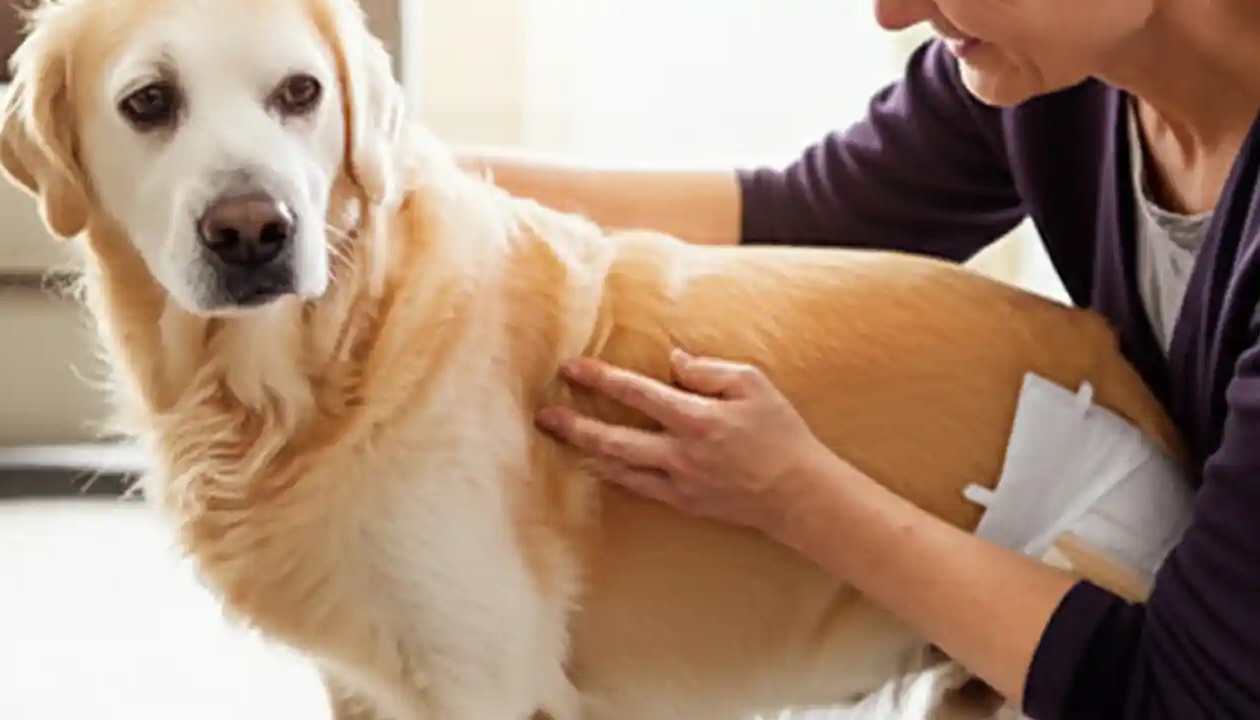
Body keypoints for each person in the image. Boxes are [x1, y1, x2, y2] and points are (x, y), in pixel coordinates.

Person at [460, 0, 1260, 717]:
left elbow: (1185, 695)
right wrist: (402, 181)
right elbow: (806, 215)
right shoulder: (1058, 73)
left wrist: (798, 495)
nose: (893, 13)